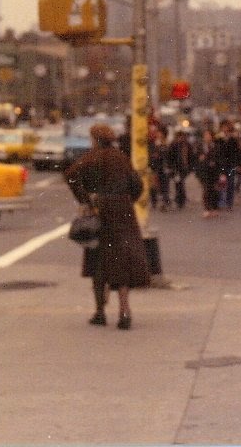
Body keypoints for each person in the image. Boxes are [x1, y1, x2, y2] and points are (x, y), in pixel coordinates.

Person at [64, 123, 149, 330]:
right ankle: (124, 311)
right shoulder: (121, 158)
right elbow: (137, 185)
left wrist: (86, 199)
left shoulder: (91, 157)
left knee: (97, 261)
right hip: (123, 212)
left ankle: (100, 312)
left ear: (95, 139)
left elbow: (70, 175)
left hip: (100, 211)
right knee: (122, 262)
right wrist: (127, 199)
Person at [196, 128, 221, 217]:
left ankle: (214, 208)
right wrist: (200, 159)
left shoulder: (216, 146)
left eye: (208, 135)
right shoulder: (200, 146)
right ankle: (207, 209)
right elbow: (196, 157)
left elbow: (219, 159)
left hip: (214, 171)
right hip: (204, 171)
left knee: (214, 190)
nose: (207, 137)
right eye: (205, 135)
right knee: (206, 190)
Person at [166, 129, 194, 209]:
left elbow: (191, 156)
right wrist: (171, 167)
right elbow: (170, 157)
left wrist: (190, 167)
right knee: (179, 184)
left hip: (183, 168)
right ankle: (180, 200)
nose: (181, 138)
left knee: (180, 183)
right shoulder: (173, 145)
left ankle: (180, 199)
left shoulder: (186, 145)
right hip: (176, 168)